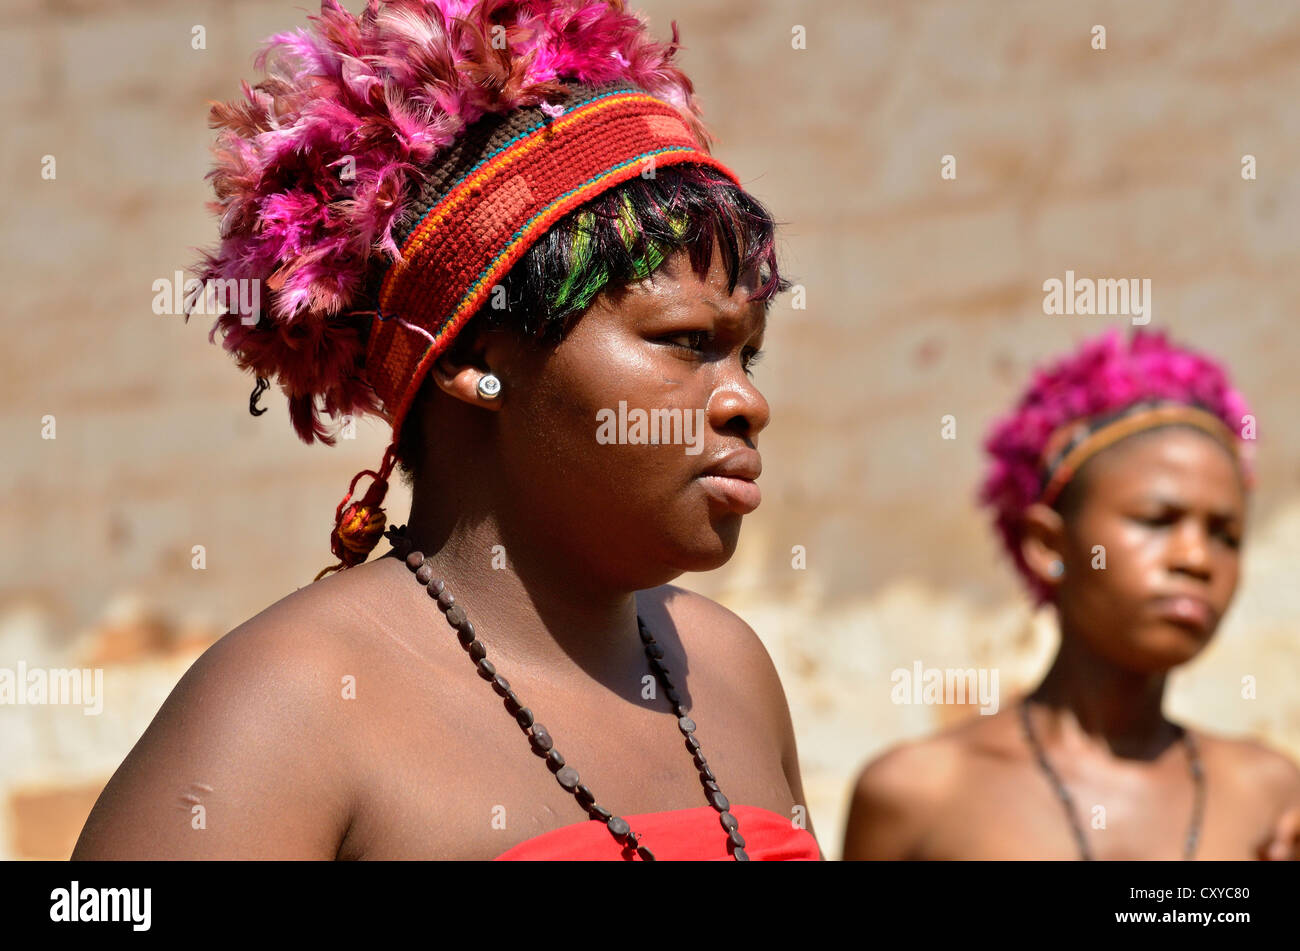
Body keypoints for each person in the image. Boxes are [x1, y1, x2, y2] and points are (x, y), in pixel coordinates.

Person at [73, 0, 819, 861]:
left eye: (746, 358)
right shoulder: (291, 707)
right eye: (686, 341)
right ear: (475, 356)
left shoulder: (727, 671)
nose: (743, 403)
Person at [843, 329, 1300, 860]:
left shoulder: (1267, 796)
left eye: (1226, 535)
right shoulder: (920, 795)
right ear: (1047, 544)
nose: (1197, 560)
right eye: (1158, 520)